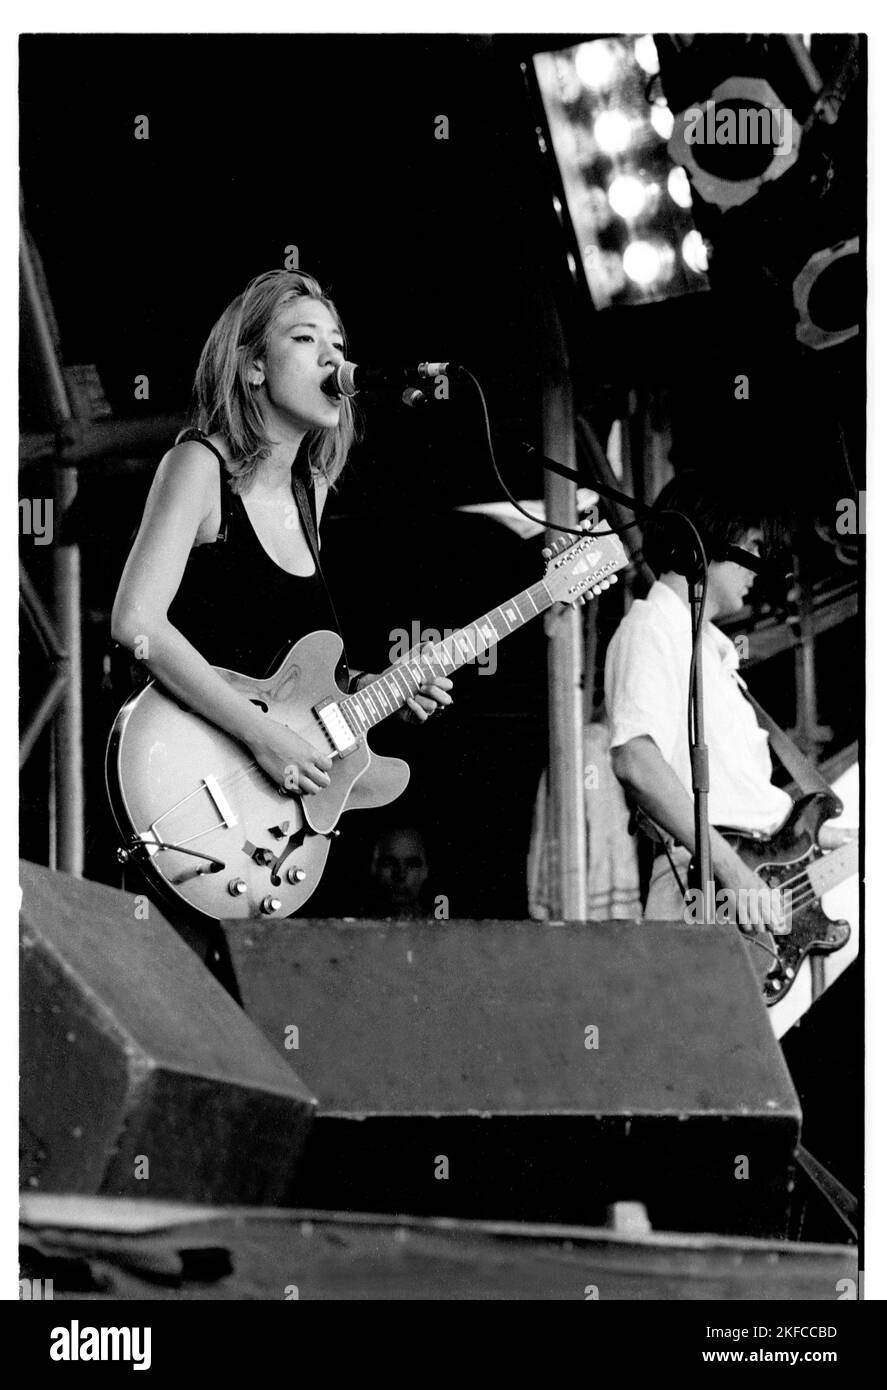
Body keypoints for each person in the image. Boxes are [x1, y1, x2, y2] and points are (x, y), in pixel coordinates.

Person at [111, 269, 452, 948]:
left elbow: (284, 665)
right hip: (184, 790)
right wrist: (264, 738)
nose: (335, 359)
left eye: (339, 342)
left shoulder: (310, 492)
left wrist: (370, 689)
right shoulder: (198, 467)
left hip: (260, 827)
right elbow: (137, 622)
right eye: (305, 339)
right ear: (254, 368)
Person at [604, 472, 854, 931]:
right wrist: (737, 876)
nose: (759, 568)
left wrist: (832, 841)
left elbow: (741, 802)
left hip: (745, 886)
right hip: (704, 891)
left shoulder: (714, 654)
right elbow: (635, 761)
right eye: (755, 547)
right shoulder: (651, 628)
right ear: (708, 537)